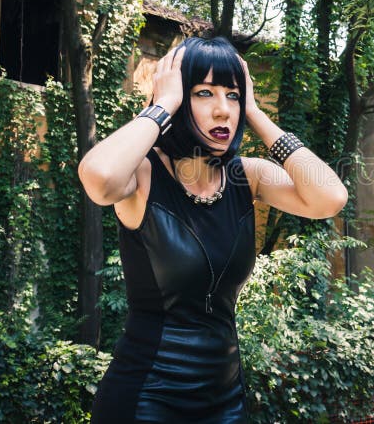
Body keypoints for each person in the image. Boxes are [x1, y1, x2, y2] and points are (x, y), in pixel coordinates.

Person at [79, 36, 348, 423]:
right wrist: (162, 106)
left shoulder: (247, 177)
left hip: (226, 403)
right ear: (178, 96)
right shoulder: (143, 174)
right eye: (204, 93)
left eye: (232, 95)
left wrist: (255, 112)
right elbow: (99, 177)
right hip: (146, 400)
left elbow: (330, 197)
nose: (223, 110)